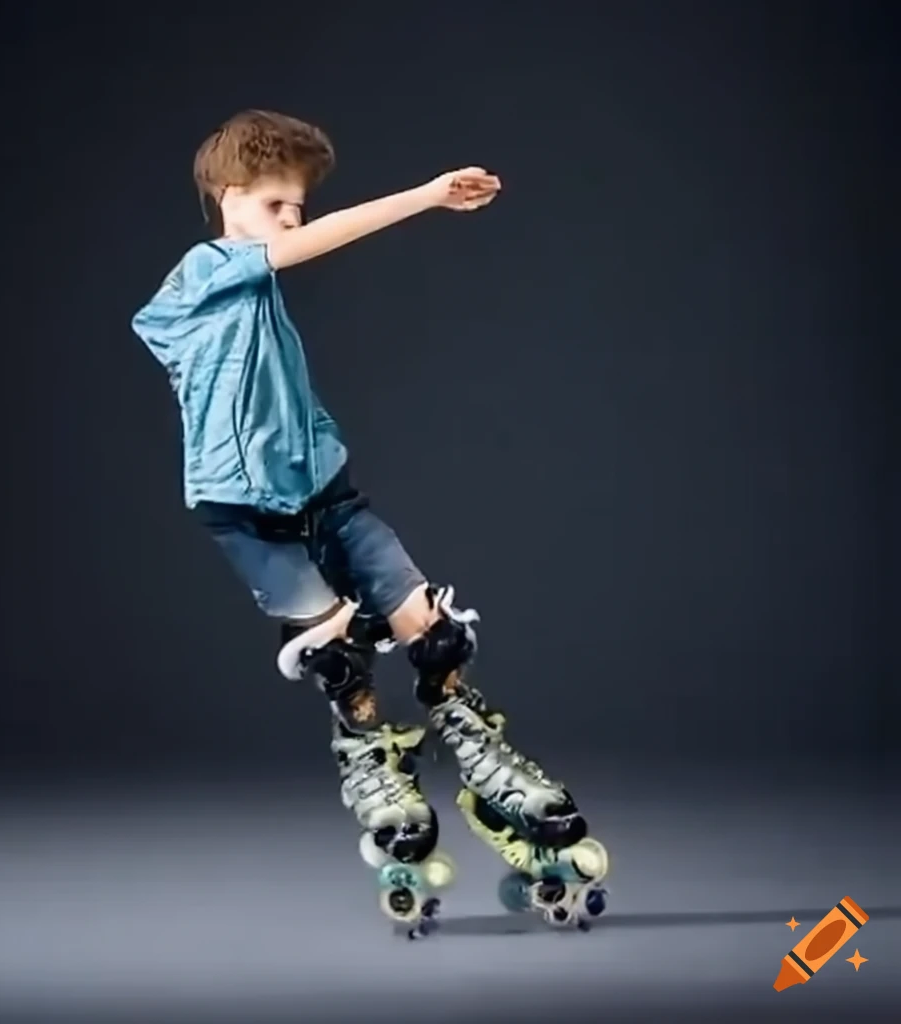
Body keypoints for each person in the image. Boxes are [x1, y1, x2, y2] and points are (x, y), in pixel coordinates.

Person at [131, 110, 608, 935]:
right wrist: (425, 196)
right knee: (338, 654)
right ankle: (376, 770)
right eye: (277, 204)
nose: (294, 220)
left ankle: (487, 762)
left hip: (328, 495)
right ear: (229, 195)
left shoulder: (256, 298)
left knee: (434, 630)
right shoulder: (206, 271)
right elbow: (301, 250)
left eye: (299, 206)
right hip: (247, 515)